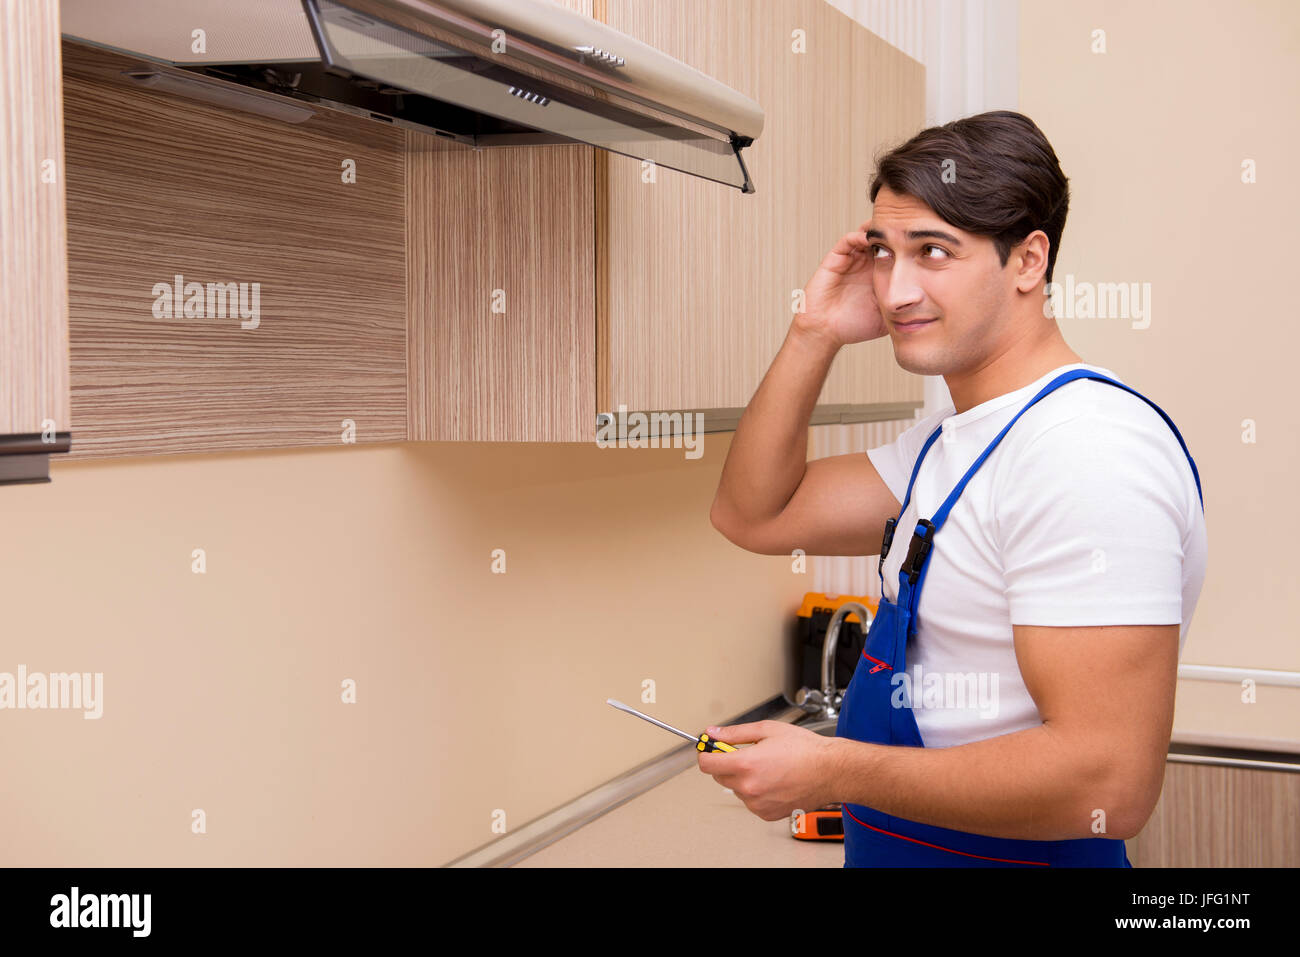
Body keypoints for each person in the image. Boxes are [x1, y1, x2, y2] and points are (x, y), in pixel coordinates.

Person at [699, 110, 1207, 867]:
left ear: (1028, 260)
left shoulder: (1085, 451)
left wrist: (831, 768)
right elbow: (754, 513)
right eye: (882, 251)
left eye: (933, 251)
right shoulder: (948, 442)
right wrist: (815, 331)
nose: (897, 289)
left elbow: (1109, 784)